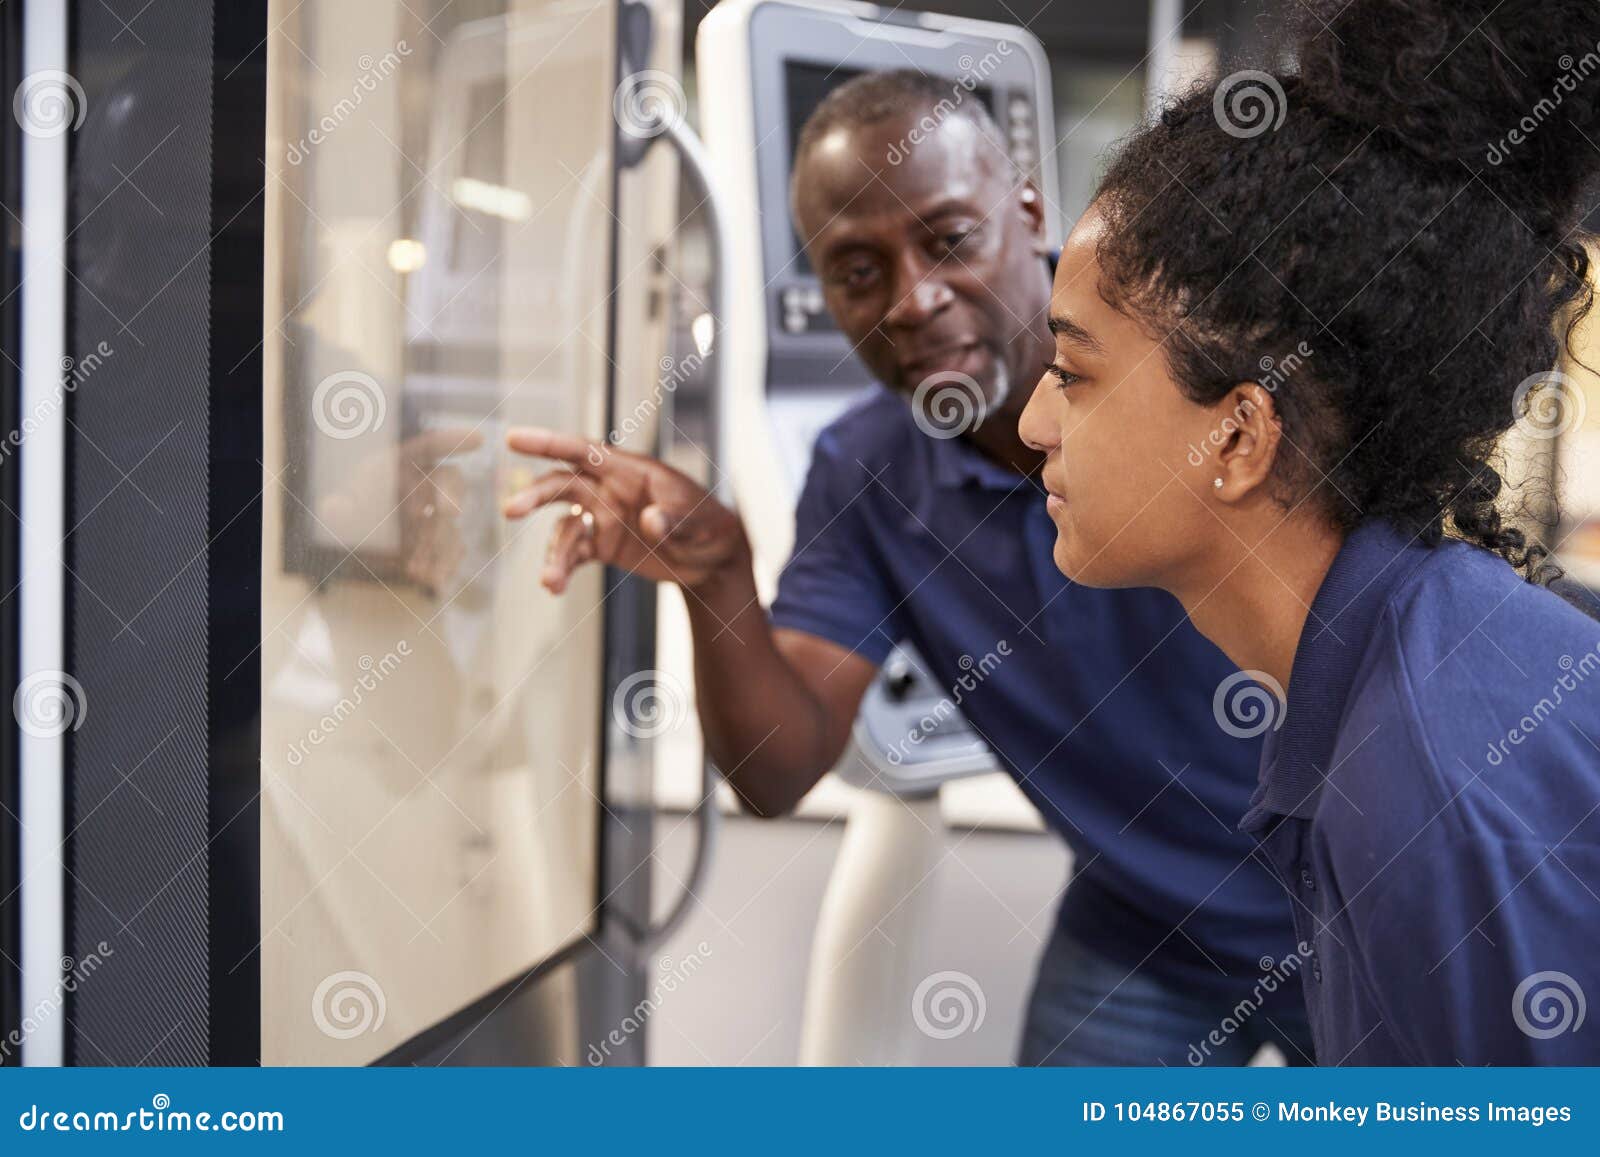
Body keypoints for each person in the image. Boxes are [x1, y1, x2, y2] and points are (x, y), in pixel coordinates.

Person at [505, 71, 1313, 1065]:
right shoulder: (866, 471)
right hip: (1143, 926)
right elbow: (776, 767)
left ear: (1026, 213)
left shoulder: (1195, 362)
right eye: (855, 269)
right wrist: (717, 576)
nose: (912, 299)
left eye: (948, 240)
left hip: (1360, 901)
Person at [1018, 0, 1600, 1064]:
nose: (1031, 424)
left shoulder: (1424, 790)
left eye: (1073, 373)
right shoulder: (1408, 669)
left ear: (1238, 435)